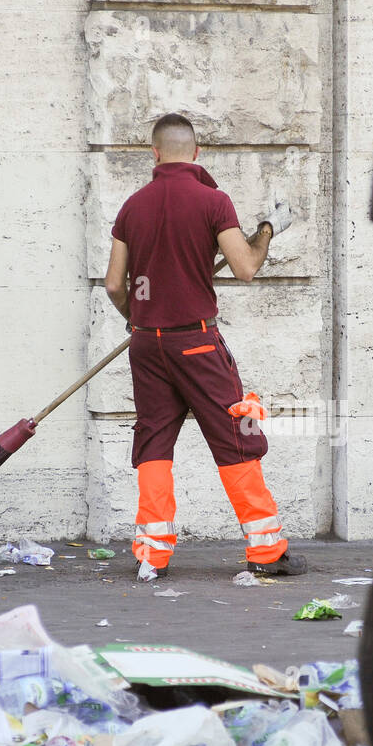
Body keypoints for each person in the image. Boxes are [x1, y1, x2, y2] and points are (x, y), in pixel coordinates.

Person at [103, 112, 305, 581]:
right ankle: (266, 551)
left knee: (153, 440)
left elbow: (115, 284)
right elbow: (246, 267)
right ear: (196, 153)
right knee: (237, 435)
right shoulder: (213, 201)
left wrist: (136, 319)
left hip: (147, 347)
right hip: (196, 343)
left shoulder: (132, 207)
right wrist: (269, 228)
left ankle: (151, 554)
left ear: (154, 153)